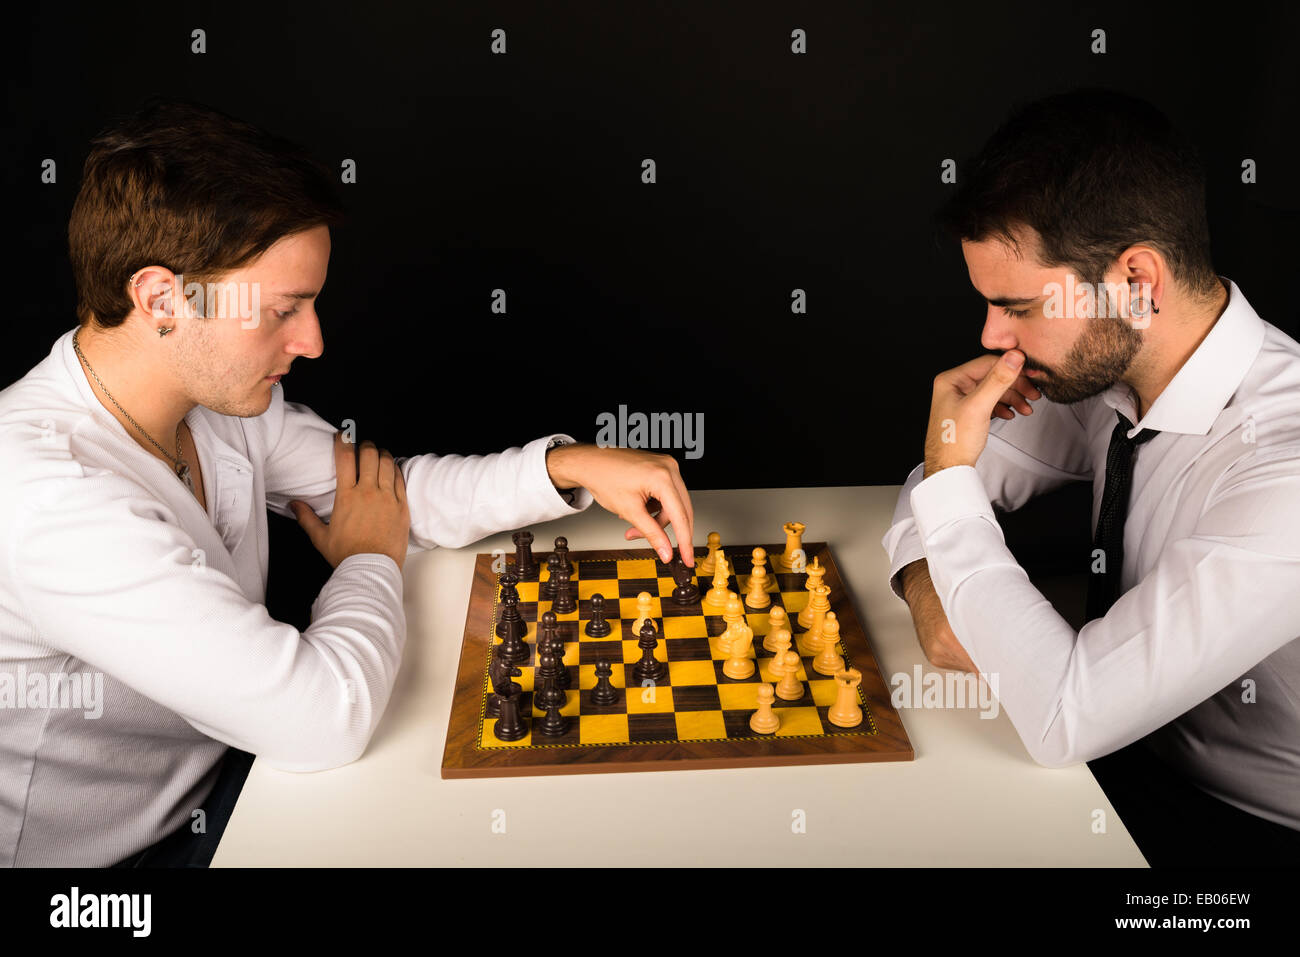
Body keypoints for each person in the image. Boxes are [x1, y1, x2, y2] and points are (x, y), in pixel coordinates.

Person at [0, 98, 694, 867]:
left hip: (238, 775)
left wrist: (563, 466)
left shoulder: (214, 399)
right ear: (163, 299)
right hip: (126, 866)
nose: (313, 341)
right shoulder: (56, 502)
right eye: (283, 310)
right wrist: (367, 559)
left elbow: (388, 497)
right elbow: (323, 720)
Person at [881, 88, 1300, 866]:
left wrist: (947, 488)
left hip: (1247, 831)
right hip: (1102, 780)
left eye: (1018, 306)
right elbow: (941, 480)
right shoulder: (1105, 371)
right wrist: (929, 588)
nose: (991, 337)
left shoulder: (1286, 468)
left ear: (1137, 281)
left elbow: (1065, 715)